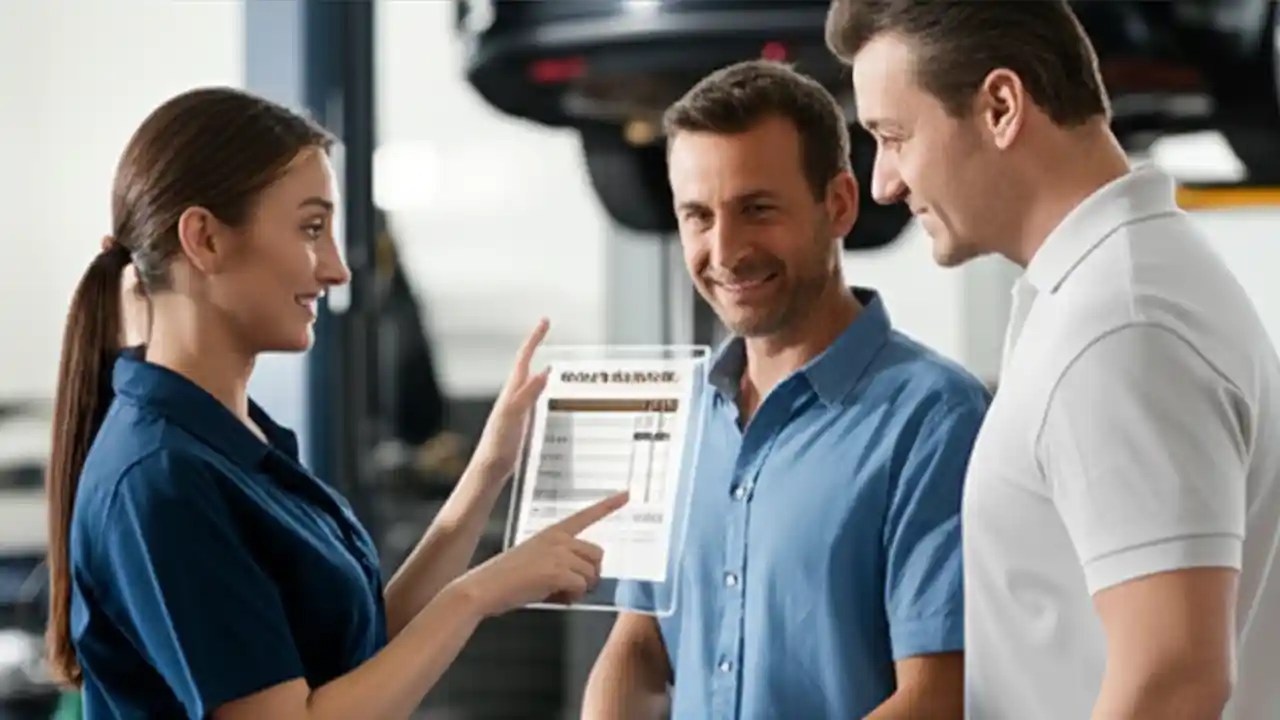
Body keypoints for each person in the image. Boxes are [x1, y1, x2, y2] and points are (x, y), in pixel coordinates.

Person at [44, 86, 627, 720]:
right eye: (311, 229)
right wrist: (478, 595)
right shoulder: (160, 480)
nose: (338, 269)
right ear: (205, 240)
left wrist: (490, 468)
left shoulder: (237, 441)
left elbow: (363, 655)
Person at [825, 1, 1280, 718]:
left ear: (1001, 107)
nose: (885, 183)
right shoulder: (1102, 296)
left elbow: (1173, 679)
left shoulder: (1118, 328)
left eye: (894, 137)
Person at [582, 60, 990, 720]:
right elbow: (640, 642)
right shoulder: (675, 414)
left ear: (839, 204)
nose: (726, 250)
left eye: (757, 209)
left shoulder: (934, 417)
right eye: (698, 216)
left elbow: (938, 695)